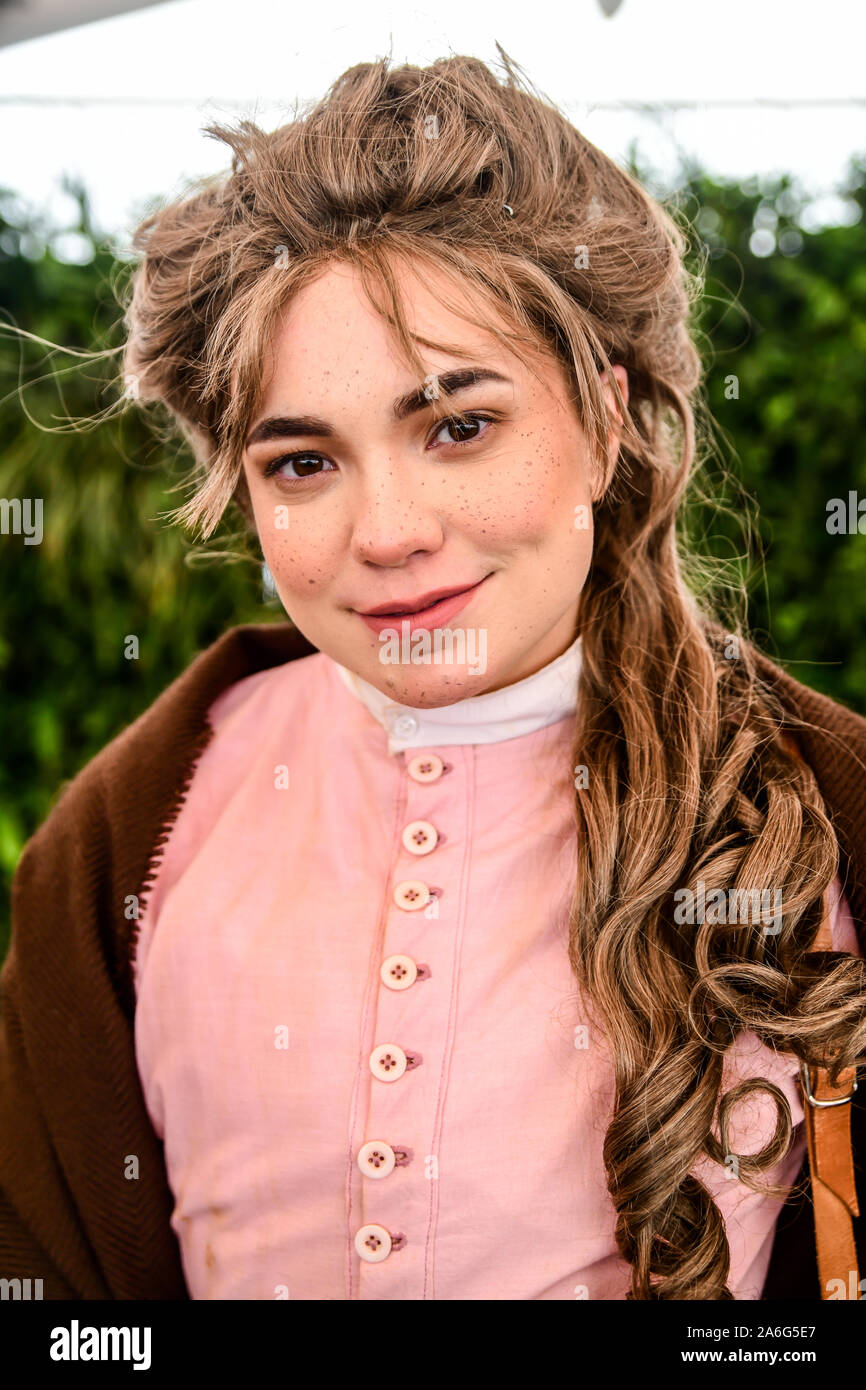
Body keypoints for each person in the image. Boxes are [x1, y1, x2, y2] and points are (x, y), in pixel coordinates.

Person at [1, 49, 864, 1302]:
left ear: (605, 418)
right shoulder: (120, 847)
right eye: (302, 462)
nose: (387, 529)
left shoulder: (832, 817)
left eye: (457, 426)